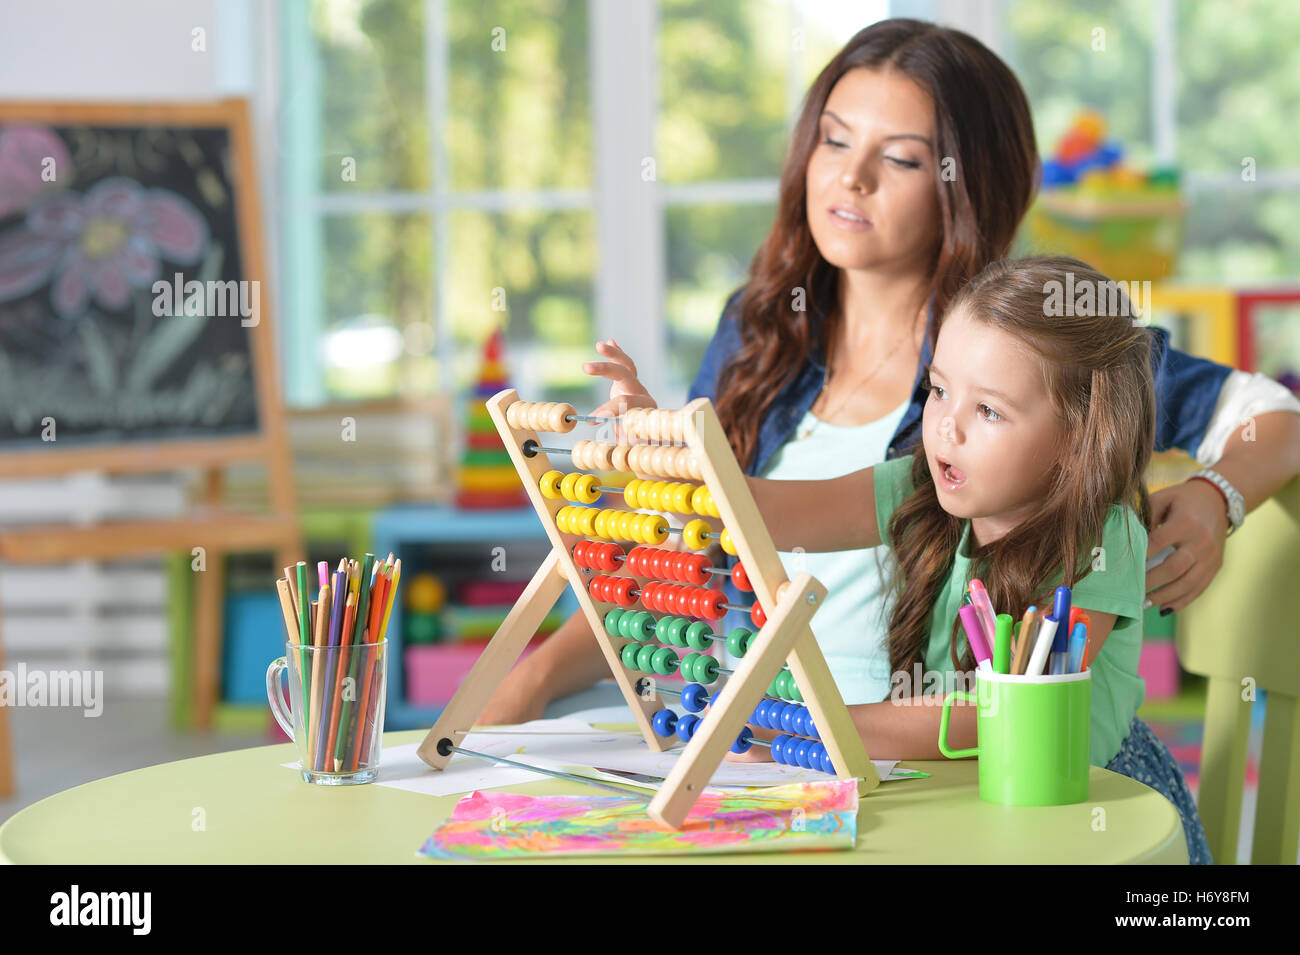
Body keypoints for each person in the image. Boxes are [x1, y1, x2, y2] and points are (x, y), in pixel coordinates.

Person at [479, 18, 1300, 726]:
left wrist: (1214, 496)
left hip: (944, 753)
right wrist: (529, 682)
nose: (849, 176)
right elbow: (699, 553)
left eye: (902, 160)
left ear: (965, 186)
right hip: (770, 740)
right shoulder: (759, 326)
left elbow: (1274, 417)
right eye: (834, 139)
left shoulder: (1030, 351)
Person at [734, 255, 1213, 861]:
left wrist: (820, 723)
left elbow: (1005, 713)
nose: (945, 428)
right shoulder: (917, 489)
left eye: (988, 410)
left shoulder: (1102, 537)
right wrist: (662, 442)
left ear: (1079, 437)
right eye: (938, 390)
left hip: (1090, 814)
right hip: (966, 797)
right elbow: (765, 510)